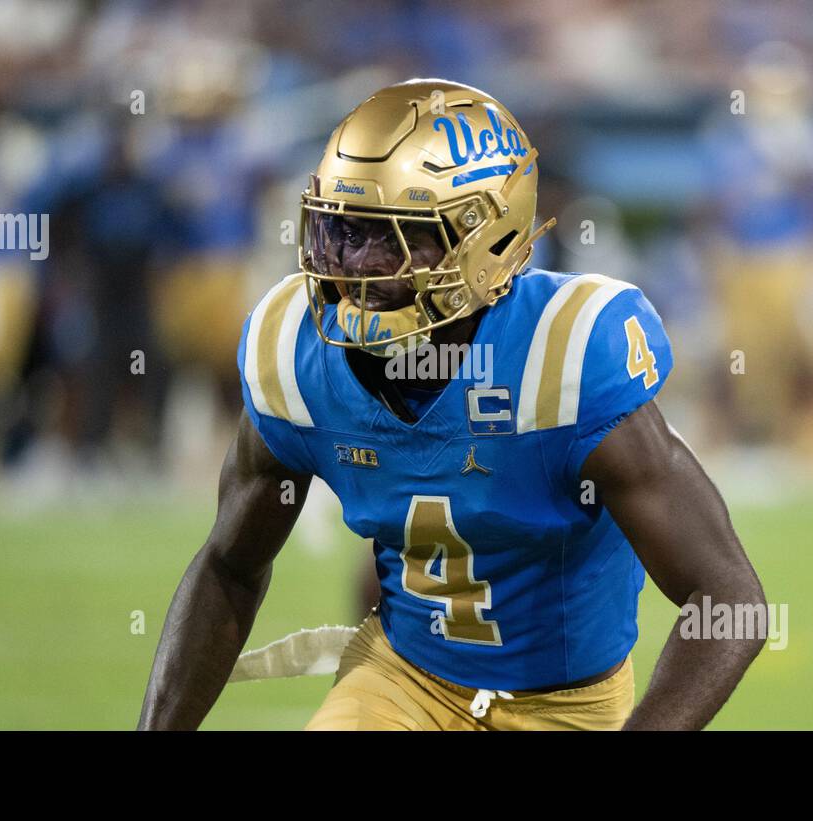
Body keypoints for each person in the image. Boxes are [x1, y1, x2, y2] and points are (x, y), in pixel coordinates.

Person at [139, 79, 766, 731]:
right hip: (401, 681)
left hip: (567, 706)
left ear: (488, 241)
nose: (361, 265)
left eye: (400, 236)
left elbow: (730, 599)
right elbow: (228, 566)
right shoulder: (296, 353)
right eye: (346, 229)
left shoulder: (563, 355)